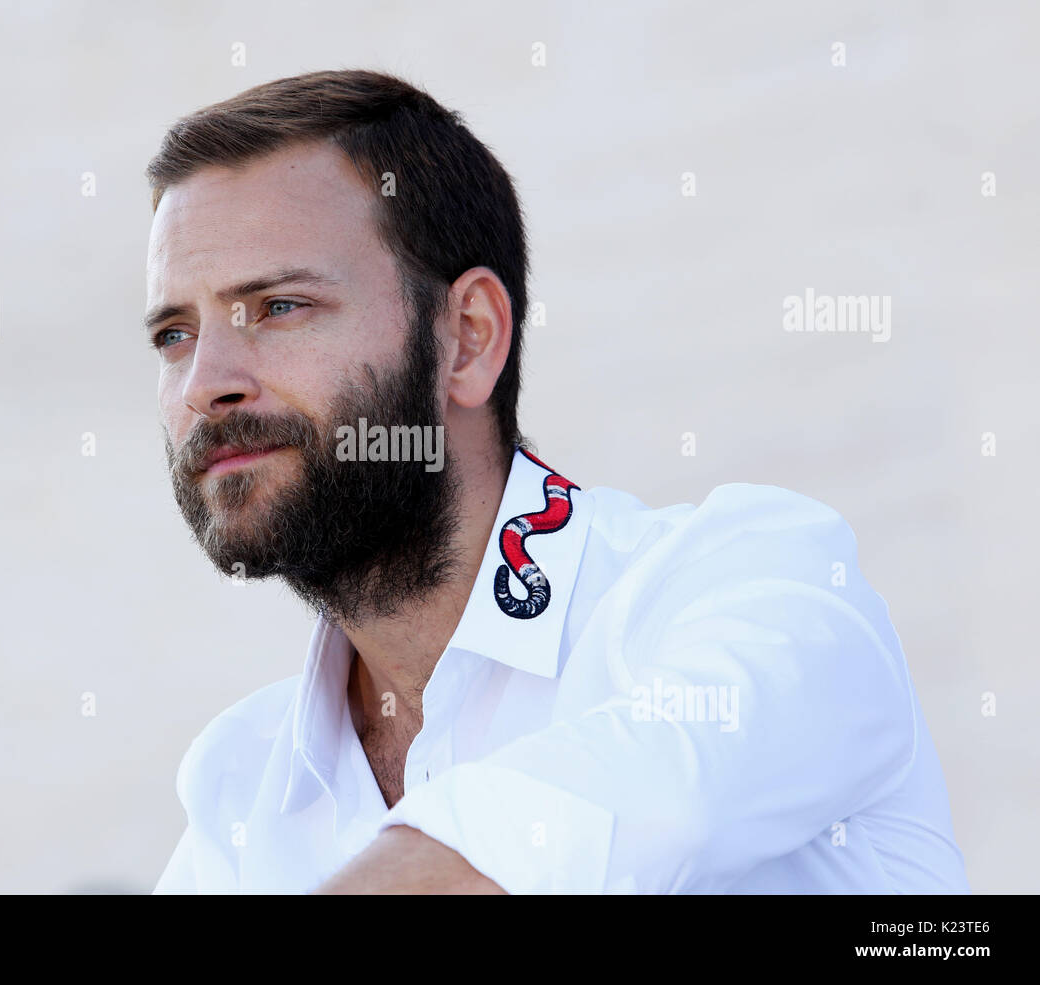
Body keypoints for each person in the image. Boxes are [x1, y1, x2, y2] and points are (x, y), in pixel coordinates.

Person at [143, 69, 969, 894]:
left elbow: (660, 798)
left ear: (469, 339)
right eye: (175, 333)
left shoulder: (744, 579)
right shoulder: (236, 786)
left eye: (280, 306)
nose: (204, 382)